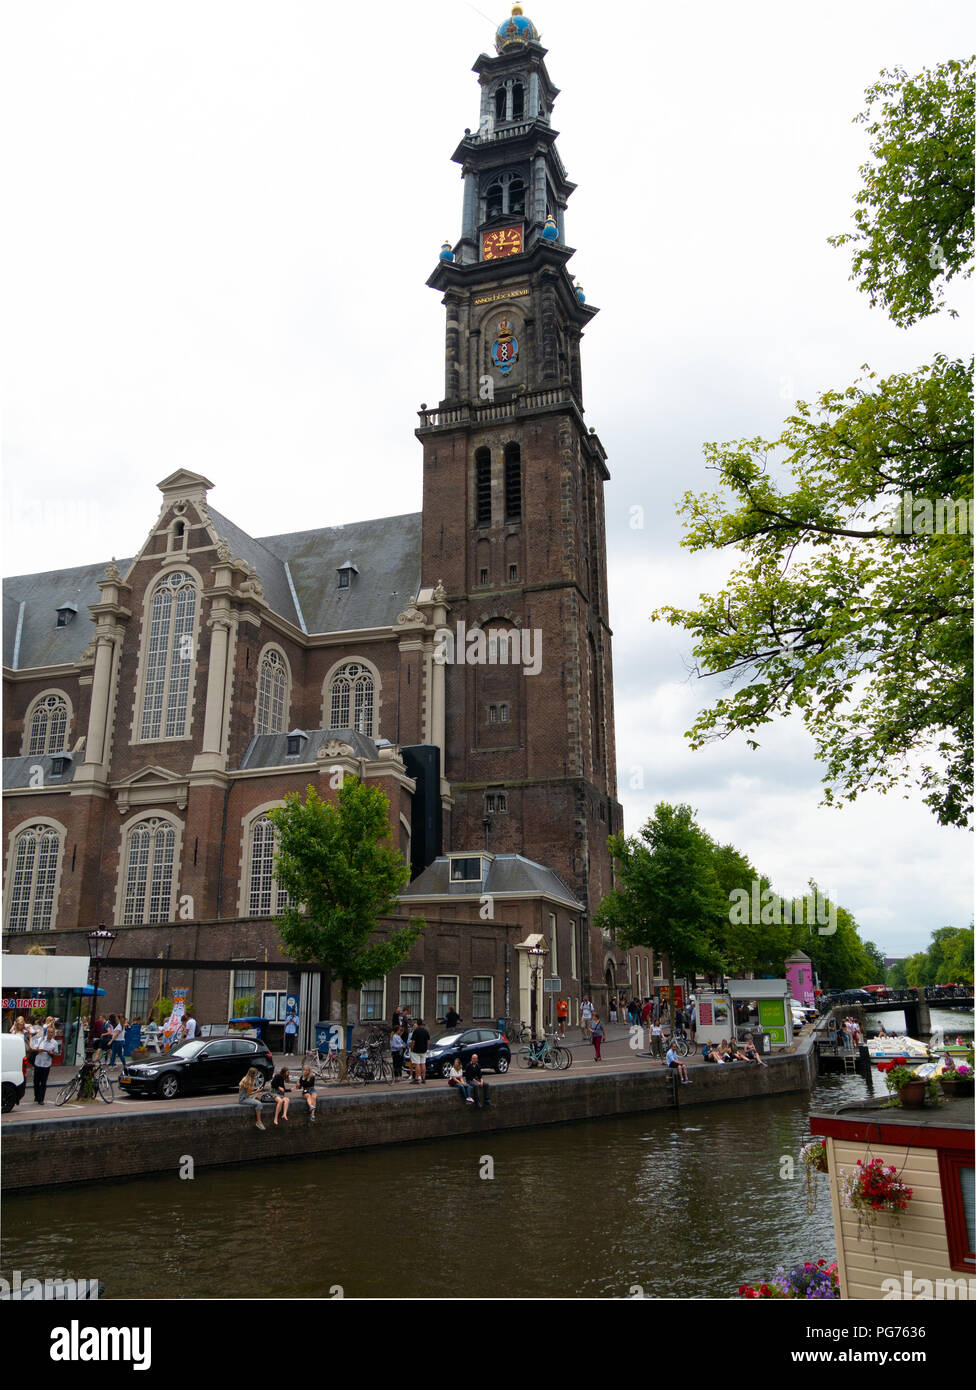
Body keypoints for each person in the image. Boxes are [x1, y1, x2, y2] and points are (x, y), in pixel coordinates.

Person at [32, 1018, 58, 1103]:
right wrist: (38, 1050)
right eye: (49, 1032)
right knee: (36, 1082)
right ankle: (36, 1096)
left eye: (52, 1032)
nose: (50, 1034)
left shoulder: (54, 1043)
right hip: (38, 1062)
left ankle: (41, 1099)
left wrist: (51, 1053)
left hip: (46, 1064)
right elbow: (33, 1049)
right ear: (46, 1033)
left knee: (43, 1083)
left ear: (53, 1033)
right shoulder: (40, 1039)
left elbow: (56, 1054)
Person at [410, 1019, 430, 1083]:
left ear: (417, 1024)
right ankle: (423, 1078)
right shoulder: (426, 1031)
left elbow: (413, 1041)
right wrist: (426, 1048)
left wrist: (412, 1049)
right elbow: (428, 1041)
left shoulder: (416, 1031)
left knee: (417, 1064)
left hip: (416, 1050)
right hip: (423, 1050)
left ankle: (416, 1078)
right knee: (423, 1063)